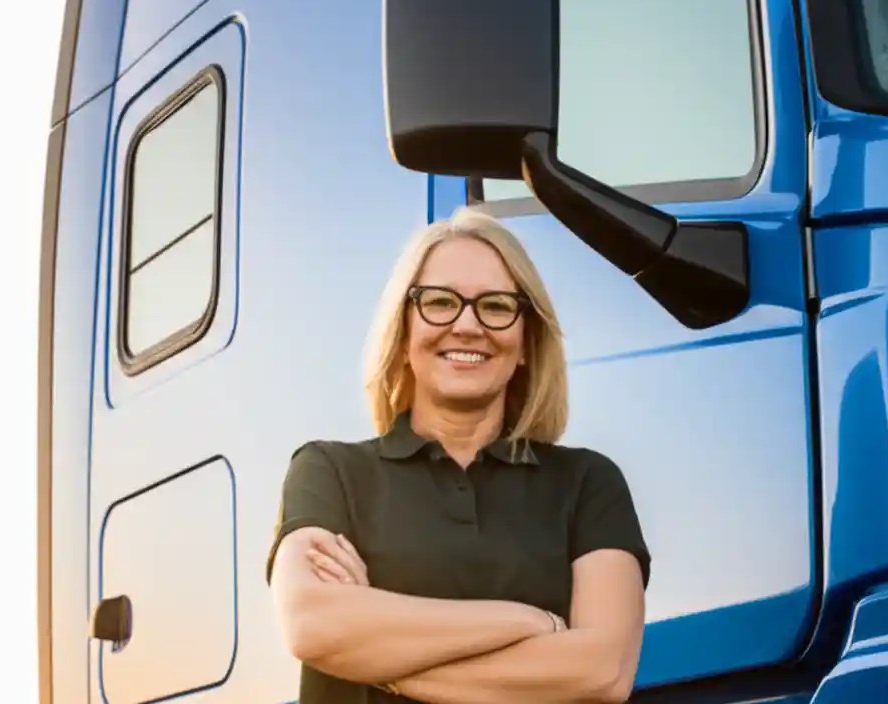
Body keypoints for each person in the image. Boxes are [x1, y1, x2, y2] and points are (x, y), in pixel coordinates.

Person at [266, 206, 651, 703]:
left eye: (495, 306)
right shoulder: (328, 471)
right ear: (403, 333)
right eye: (440, 302)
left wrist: (374, 657)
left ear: (527, 341)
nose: (468, 327)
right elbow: (311, 626)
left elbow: (602, 671)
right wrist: (525, 621)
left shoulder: (588, 482)